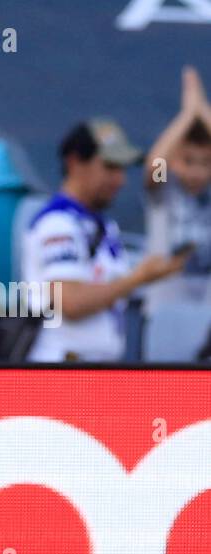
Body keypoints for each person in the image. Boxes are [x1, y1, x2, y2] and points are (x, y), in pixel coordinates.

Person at [23, 118, 188, 362]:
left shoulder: (101, 225)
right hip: (61, 371)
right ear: (75, 162)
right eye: (110, 167)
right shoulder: (57, 223)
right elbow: (70, 302)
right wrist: (138, 279)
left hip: (95, 372)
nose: (120, 180)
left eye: (122, 169)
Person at [143, 67, 211, 361]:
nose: (196, 170)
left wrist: (202, 110)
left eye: (206, 162)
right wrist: (187, 116)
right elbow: (155, 163)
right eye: (188, 161)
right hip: (163, 315)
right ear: (175, 160)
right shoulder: (162, 194)